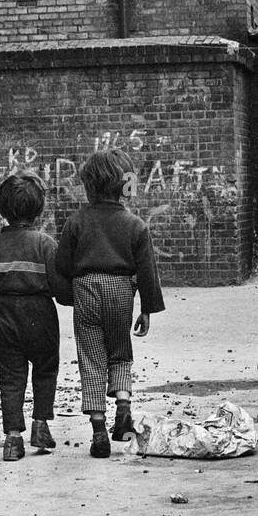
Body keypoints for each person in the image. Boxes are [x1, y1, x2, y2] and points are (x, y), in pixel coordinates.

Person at [55, 147, 165, 458]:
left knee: (91, 359)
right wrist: (146, 309)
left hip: (86, 289)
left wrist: (68, 296)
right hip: (120, 291)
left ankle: (99, 429)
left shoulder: (76, 222)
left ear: (89, 186)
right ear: (124, 185)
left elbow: (61, 266)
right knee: (120, 353)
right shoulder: (135, 225)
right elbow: (147, 270)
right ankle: (124, 407)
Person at [0, 171, 71, 462]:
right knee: (45, 370)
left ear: (2, 210)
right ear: (38, 210)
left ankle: (12, 439)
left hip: (4, 318)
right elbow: (61, 286)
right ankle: (40, 425)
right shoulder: (46, 244)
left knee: (10, 379)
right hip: (41, 316)